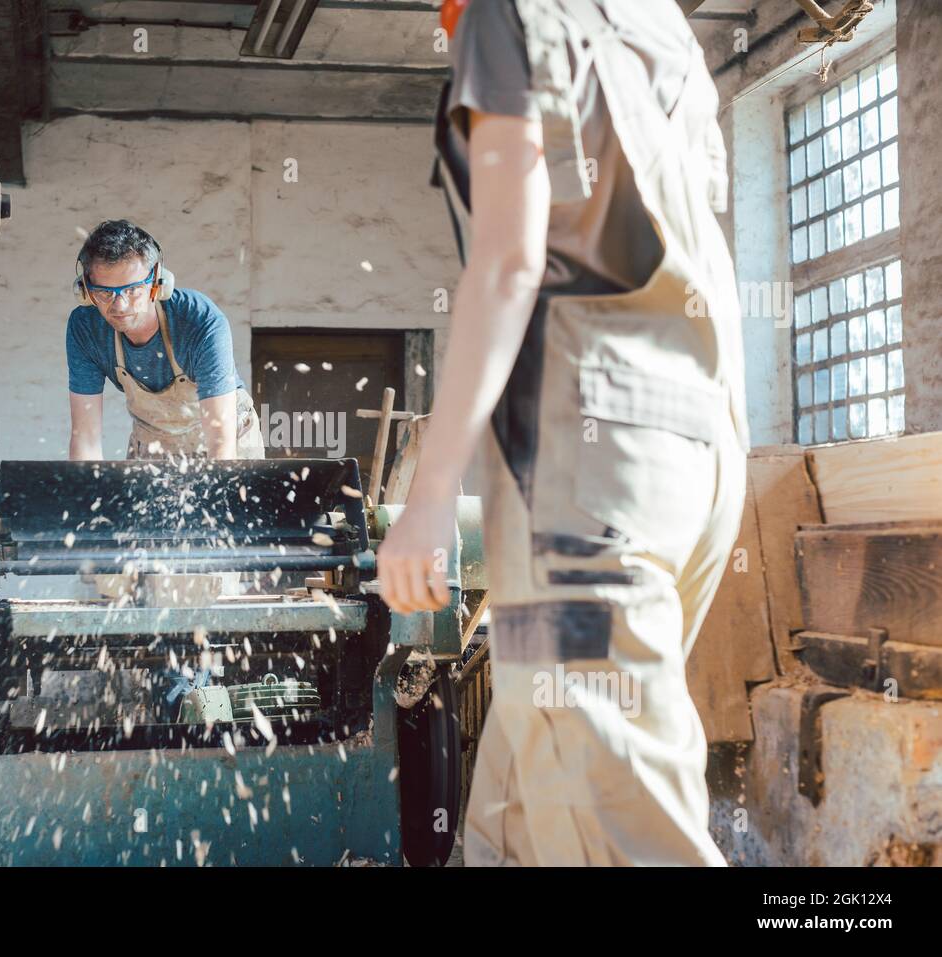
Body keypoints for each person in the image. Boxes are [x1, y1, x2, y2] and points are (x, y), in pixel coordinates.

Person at [377, 0, 749, 866]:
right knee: (516, 804)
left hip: (586, 480)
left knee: (617, 834)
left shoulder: (504, 13)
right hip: (693, 453)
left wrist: (428, 499)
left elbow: (510, 260)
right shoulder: (660, 26)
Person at [66, 219, 265, 460]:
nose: (119, 305)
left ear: (157, 283)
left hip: (228, 438)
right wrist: (84, 495)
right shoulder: (85, 328)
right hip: (153, 441)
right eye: (105, 293)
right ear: (86, 290)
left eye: (132, 289)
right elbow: (85, 437)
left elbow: (221, 443)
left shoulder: (199, 321)